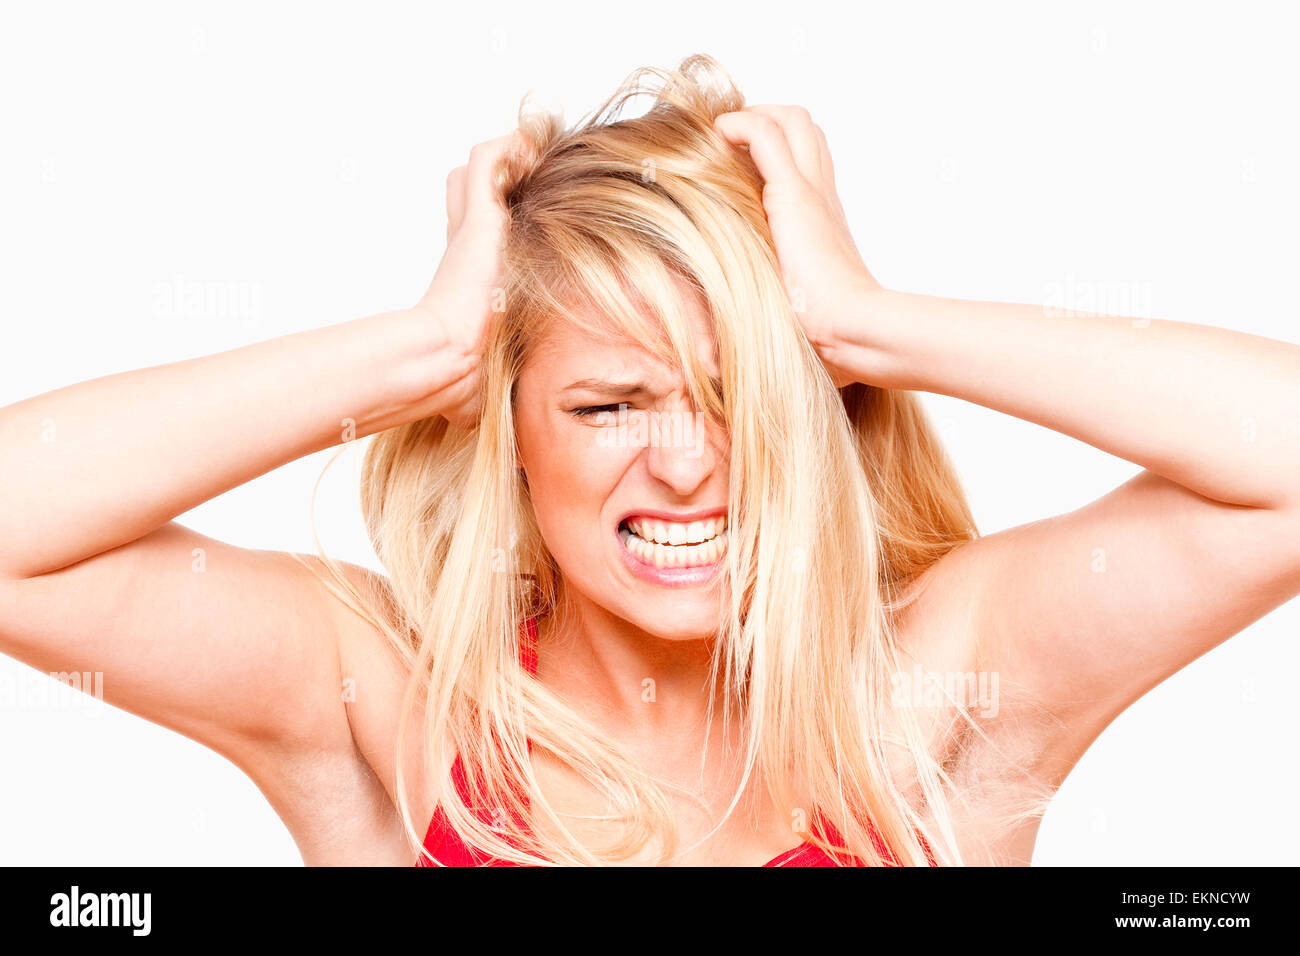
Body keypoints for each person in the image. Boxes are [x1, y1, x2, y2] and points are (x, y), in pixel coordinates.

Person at [3, 54, 1298, 866]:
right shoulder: (382, 695)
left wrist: (875, 324)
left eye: (744, 398)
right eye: (608, 405)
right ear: (507, 428)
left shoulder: (942, 692)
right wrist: (420, 350)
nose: (686, 462)